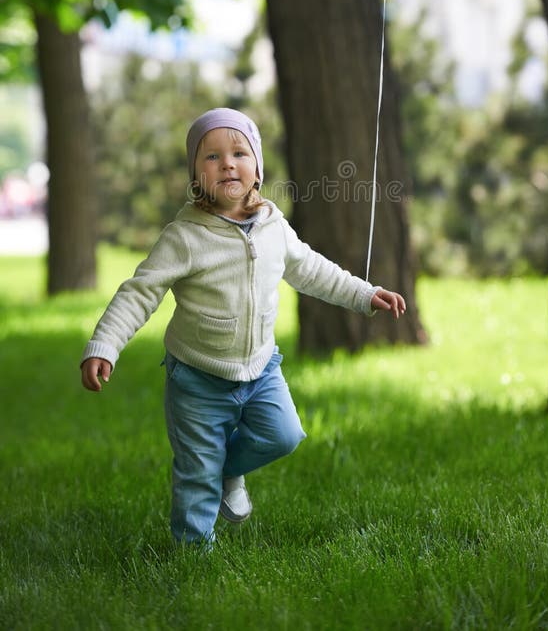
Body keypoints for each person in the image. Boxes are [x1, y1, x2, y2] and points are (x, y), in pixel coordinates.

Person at [81, 107, 406, 548]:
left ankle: (230, 469)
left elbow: (312, 270)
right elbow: (140, 292)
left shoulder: (273, 224)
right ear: (196, 176)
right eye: (211, 157)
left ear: (257, 168)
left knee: (284, 435)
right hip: (196, 377)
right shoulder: (185, 236)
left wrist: (365, 295)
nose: (227, 163)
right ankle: (194, 559)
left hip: (260, 369)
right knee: (196, 474)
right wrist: (105, 345)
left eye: (239, 152)